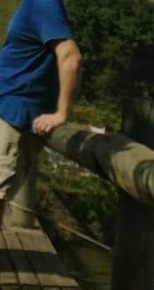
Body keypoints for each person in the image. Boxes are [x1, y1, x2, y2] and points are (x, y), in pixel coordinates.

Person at [0, 0, 81, 230]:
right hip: (10, 107)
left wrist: (61, 113)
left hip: (13, 112)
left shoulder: (43, 3)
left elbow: (71, 57)